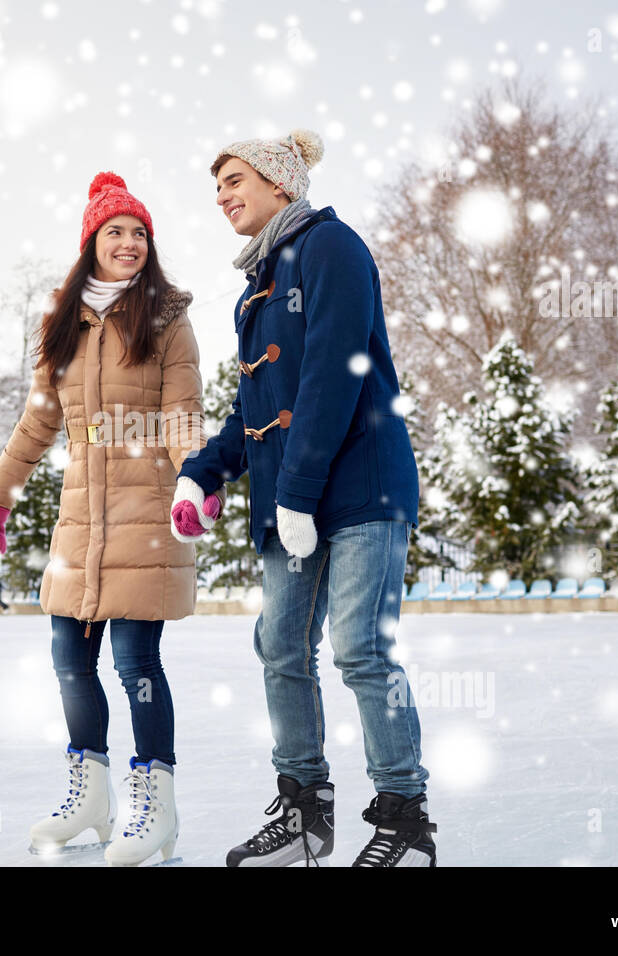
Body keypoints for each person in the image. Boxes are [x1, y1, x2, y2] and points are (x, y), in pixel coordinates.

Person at [172, 129, 438, 867]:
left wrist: (297, 490)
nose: (223, 195)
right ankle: (304, 813)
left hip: (357, 486)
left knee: (360, 649)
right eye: (217, 186)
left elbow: (333, 374)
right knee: (280, 646)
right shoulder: (256, 288)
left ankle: (406, 821)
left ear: (280, 182)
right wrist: (203, 470)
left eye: (234, 179)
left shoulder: (331, 247)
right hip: (294, 502)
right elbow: (254, 407)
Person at [0, 171, 224, 866]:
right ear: (90, 243)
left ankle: (157, 810)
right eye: (116, 231)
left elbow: (182, 414)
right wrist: (0, 492)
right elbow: (38, 423)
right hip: (81, 520)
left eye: (140, 232)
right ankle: (90, 798)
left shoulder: (168, 319)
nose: (130, 242)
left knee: (136, 662)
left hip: (147, 513)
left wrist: (194, 479)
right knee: (69, 661)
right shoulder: (64, 327)